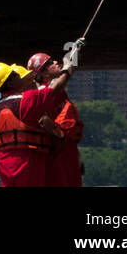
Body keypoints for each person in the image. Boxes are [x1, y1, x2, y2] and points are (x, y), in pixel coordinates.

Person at [0, 57, 75, 188]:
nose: (19, 76)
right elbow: (56, 88)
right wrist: (68, 69)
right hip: (28, 162)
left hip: (5, 165)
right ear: (10, 82)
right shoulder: (26, 101)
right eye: (16, 75)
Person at [28, 50, 84, 186]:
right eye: (49, 63)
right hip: (58, 152)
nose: (55, 62)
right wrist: (60, 137)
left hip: (67, 150)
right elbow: (44, 120)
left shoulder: (51, 91)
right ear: (44, 73)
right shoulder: (42, 93)